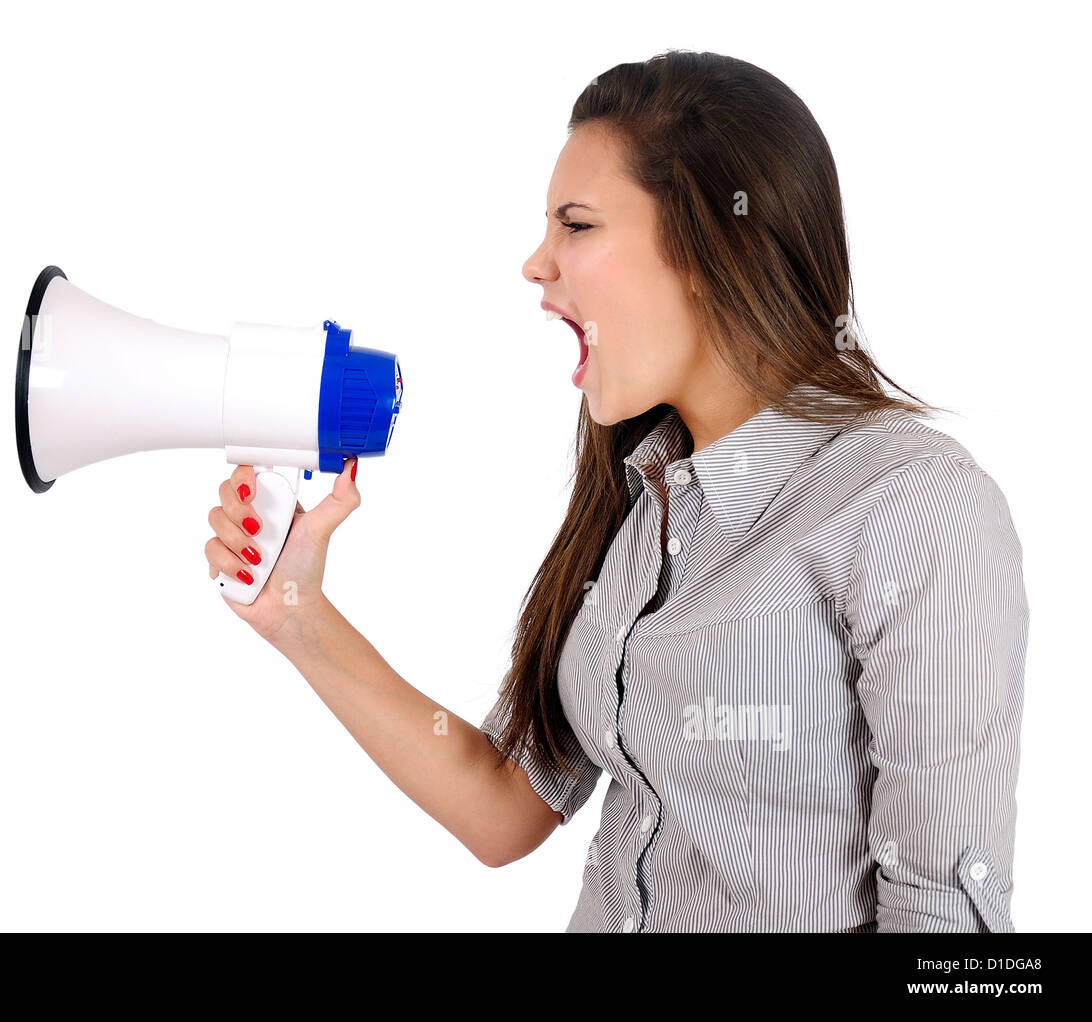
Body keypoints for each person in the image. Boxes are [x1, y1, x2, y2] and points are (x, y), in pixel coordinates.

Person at [203, 50, 1028, 933]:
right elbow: (506, 803)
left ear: (719, 246)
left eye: (578, 225)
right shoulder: (642, 503)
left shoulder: (913, 507)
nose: (534, 262)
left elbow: (955, 941)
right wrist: (297, 613)